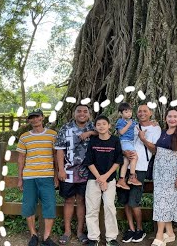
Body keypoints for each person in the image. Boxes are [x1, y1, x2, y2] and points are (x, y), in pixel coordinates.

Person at [57, 104, 99, 246]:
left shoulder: (94, 127)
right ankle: (67, 231)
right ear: (74, 113)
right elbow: (59, 150)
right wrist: (60, 169)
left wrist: (90, 133)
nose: (82, 114)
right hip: (68, 171)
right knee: (68, 200)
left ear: (89, 114)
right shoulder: (65, 128)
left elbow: (105, 133)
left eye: (85, 111)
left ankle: (80, 231)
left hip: (87, 172)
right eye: (79, 111)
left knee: (81, 201)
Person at [17, 109, 59, 246]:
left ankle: (47, 237)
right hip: (29, 176)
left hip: (47, 175)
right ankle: (33, 234)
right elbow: (21, 158)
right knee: (29, 206)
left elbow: (56, 157)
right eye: (32, 118)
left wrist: (57, 175)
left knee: (50, 205)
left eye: (37, 117)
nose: (35, 120)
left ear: (42, 118)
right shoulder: (24, 137)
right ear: (29, 120)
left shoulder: (52, 135)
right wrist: (20, 178)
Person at [149, 106, 177, 246]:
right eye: (169, 116)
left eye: (175, 116)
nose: (172, 119)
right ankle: (170, 232)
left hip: (172, 174)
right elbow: (156, 150)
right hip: (159, 173)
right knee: (161, 202)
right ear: (165, 118)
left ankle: (160, 235)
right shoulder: (163, 132)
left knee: (164, 203)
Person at [124, 104, 163, 243]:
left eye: (145, 111)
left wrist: (143, 139)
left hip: (140, 167)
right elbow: (123, 141)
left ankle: (140, 229)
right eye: (139, 111)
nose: (142, 113)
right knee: (125, 200)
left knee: (134, 200)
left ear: (150, 113)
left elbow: (155, 150)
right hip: (125, 166)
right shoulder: (132, 125)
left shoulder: (155, 128)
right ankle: (131, 228)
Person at [84, 114, 124, 246]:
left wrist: (105, 178)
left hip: (110, 179)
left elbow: (118, 160)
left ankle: (111, 238)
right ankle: (93, 238)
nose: (101, 126)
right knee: (92, 209)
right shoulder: (93, 141)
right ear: (95, 127)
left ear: (109, 126)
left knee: (109, 207)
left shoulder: (115, 141)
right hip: (93, 179)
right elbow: (89, 161)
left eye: (104, 124)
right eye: (98, 124)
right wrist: (100, 178)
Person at [114, 104, 141, 189]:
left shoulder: (133, 121)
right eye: (126, 112)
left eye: (130, 111)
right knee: (134, 157)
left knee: (126, 160)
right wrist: (128, 125)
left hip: (131, 142)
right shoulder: (120, 122)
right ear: (121, 113)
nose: (129, 113)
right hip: (125, 142)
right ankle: (132, 177)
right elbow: (121, 132)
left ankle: (121, 180)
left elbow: (139, 126)